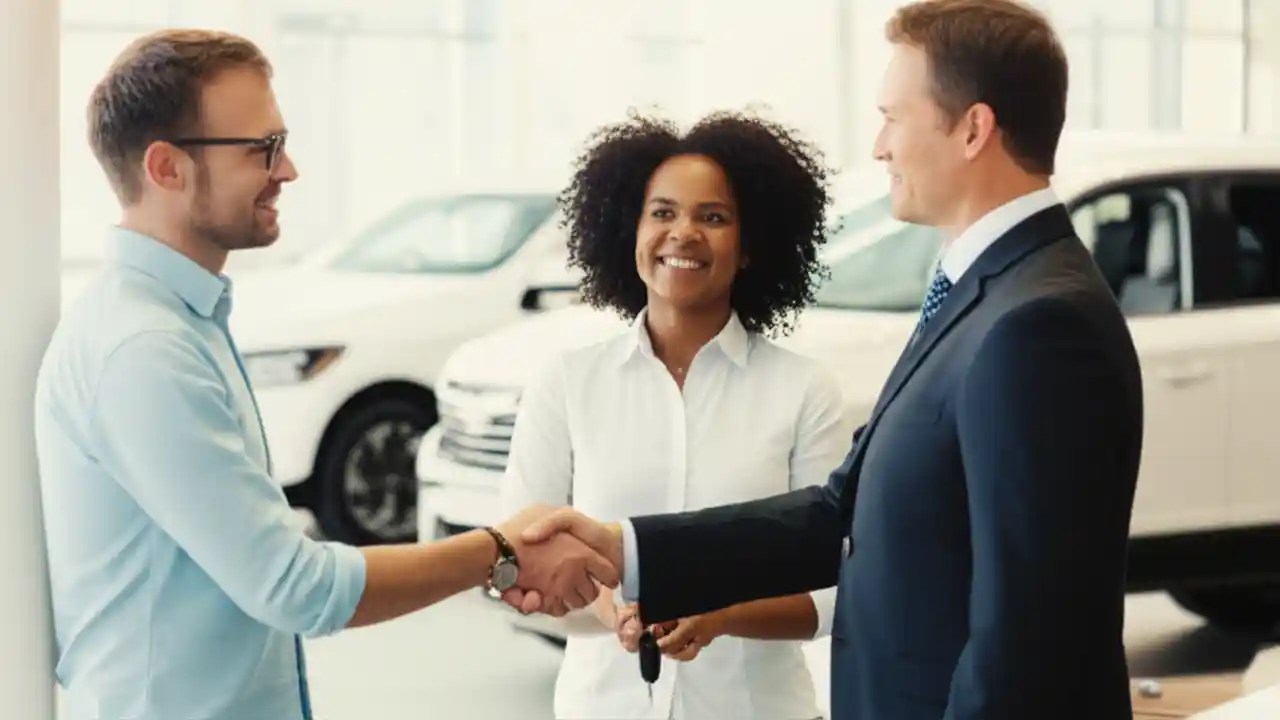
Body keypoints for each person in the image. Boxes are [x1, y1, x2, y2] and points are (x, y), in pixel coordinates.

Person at [511, 2, 1144, 719]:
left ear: (973, 129)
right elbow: (840, 514)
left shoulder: (1038, 323)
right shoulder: (989, 294)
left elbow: (1027, 646)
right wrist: (624, 548)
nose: (878, 147)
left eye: (892, 117)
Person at [34, 29, 614, 720]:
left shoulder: (180, 321)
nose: (289, 171)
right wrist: (500, 549)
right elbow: (295, 586)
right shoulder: (143, 348)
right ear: (166, 168)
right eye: (263, 149)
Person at [500, 112, 851, 720]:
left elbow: (834, 593)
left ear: (748, 249)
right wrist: (617, 607)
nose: (683, 232)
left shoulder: (805, 390)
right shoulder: (566, 383)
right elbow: (518, 564)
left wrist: (720, 615)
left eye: (713, 217)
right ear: (627, 230)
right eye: (662, 212)